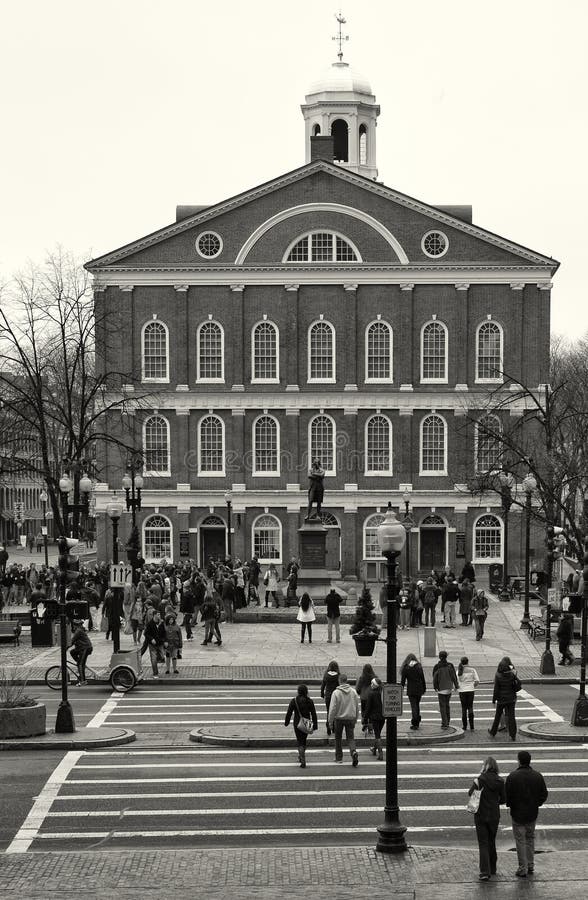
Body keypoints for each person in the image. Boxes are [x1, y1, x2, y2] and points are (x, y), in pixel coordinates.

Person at [505, 749, 549, 878]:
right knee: (530, 838)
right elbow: (544, 794)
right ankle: (530, 864)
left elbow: (507, 795)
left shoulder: (512, 776)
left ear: (519, 761)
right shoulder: (537, 776)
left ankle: (522, 868)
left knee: (520, 841)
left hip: (517, 814)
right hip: (532, 813)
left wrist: (511, 805)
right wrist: (536, 804)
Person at [468, 756, 506, 881]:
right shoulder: (500, 781)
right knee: (491, 841)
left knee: (483, 843)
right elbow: (504, 799)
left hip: (481, 815)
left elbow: (470, 793)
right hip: (494, 816)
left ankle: (485, 872)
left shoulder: (480, 780)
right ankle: (493, 868)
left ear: (485, 766)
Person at [328, 673, 360, 766]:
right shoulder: (353, 692)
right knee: (350, 738)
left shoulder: (336, 693)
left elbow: (332, 708)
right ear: (347, 681)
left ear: (339, 681)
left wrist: (330, 721)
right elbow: (357, 706)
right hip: (350, 718)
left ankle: (339, 758)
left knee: (338, 738)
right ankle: (353, 752)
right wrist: (356, 718)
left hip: (339, 719)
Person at [284, 683, 318, 768]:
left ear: (298, 691)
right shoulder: (309, 701)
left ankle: (302, 758)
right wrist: (315, 725)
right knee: (304, 740)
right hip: (306, 724)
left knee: (299, 741)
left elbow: (289, 713)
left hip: (297, 724)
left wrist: (286, 722)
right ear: (306, 691)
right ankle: (301, 755)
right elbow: (314, 714)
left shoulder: (294, 700)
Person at [488, 656, 520, 741]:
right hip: (511, 698)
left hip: (501, 699)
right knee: (512, 716)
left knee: (497, 716)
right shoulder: (512, 674)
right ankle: (513, 734)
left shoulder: (498, 675)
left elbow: (496, 689)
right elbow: (517, 683)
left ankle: (493, 731)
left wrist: (494, 700)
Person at [432, 650, 458, 729]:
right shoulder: (450, 665)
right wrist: (456, 685)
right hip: (449, 688)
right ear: (446, 657)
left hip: (441, 688)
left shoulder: (437, 666)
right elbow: (454, 676)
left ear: (439, 657)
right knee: (447, 705)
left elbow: (434, 678)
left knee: (442, 707)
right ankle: (448, 720)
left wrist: (435, 687)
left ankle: (444, 723)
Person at [400, 652, 426, 730]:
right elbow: (422, 678)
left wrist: (401, 689)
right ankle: (417, 719)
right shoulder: (419, 666)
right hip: (419, 689)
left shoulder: (406, 667)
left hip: (411, 689)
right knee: (417, 705)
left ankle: (415, 722)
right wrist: (424, 688)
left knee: (413, 706)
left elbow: (403, 681)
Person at [364, 677, 385, 760]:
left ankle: (381, 753)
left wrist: (365, 718)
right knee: (378, 733)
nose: (371, 685)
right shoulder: (382, 693)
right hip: (383, 717)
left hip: (375, 717)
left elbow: (368, 708)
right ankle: (374, 749)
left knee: (377, 735)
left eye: (372, 683)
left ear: (374, 685)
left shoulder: (371, 694)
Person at [457, 656, 480, 731]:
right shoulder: (472, 670)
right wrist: (472, 686)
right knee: (470, 707)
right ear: (468, 662)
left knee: (463, 708)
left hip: (462, 691)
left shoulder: (459, 670)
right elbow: (477, 681)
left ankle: (464, 726)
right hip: (470, 690)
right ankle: (472, 726)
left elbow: (456, 681)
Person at [68, 619, 93, 685]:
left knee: (80, 664)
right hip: (82, 648)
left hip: (85, 648)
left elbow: (72, 641)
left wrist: (66, 647)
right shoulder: (79, 630)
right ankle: (80, 664)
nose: (73, 626)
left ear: (76, 625)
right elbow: (73, 641)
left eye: (74, 625)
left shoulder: (78, 631)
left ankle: (83, 681)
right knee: (72, 652)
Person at [355, 663, 376, 735]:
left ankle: (365, 723)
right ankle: (371, 727)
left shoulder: (361, 678)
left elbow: (358, 689)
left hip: (364, 697)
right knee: (371, 712)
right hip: (372, 697)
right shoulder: (374, 678)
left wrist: (360, 692)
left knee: (364, 711)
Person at [144, 610, 166, 678]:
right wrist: (151, 639)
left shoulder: (161, 623)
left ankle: (158, 658)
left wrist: (165, 641)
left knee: (162, 656)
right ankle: (155, 673)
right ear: (154, 615)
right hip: (152, 644)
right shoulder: (150, 624)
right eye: (158, 614)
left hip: (160, 643)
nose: (159, 616)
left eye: (160, 614)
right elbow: (146, 633)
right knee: (153, 659)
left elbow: (164, 633)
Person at [320, 660, 340, 735]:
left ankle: (328, 726)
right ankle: (334, 727)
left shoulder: (326, 675)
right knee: (335, 712)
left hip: (328, 696)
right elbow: (339, 686)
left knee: (329, 711)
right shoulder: (338, 675)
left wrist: (322, 694)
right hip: (336, 696)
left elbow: (323, 685)